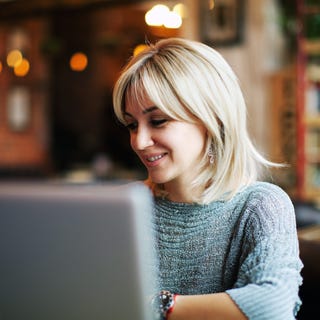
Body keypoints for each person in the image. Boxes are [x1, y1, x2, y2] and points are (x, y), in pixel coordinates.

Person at [112, 37, 303, 320]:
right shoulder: (126, 208)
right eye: (131, 125)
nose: (139, 141)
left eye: (158, 121)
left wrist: (159, 305)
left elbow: (270, 306)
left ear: (211, 118)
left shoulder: (260, 205)